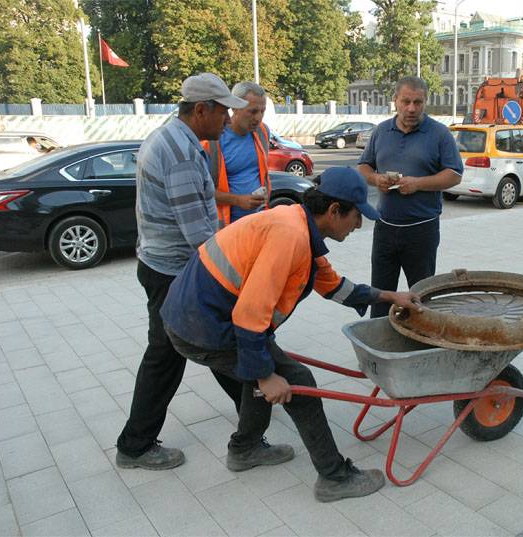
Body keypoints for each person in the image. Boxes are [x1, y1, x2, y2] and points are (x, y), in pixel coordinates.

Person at [159, 167, 422, 502]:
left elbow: (335, 287)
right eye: (356, 216)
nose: (358, 225)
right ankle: (334, 477)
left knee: (260, 374)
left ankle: (246, 449)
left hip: (202, 315)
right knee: (296, 381)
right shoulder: (290, 237)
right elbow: (250, 315)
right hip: (202, 324)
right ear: (334, 211)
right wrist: (266, 375)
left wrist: (390, 296)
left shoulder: (299, 226)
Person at [115, 73, 249, 471]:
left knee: (203, 345)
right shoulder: (179, 154)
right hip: (174, 271)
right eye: (223, 110)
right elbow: (200, 237)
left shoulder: (175, 139)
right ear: (201, 110)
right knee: (187, 350)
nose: (228, 119)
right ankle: (135, 445)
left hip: (164, 265)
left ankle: (252, 408)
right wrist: (239, 275)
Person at [357, 76, 463, 318]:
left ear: (426, 102)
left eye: (418, 102)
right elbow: (363, 167)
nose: (411, 108)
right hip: (385, 228)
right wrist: (377, 179)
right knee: (381, 295)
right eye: (406, 101)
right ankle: (381, 346)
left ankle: (420, 345)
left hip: (421, 231)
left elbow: (454, 175)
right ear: (395, 100)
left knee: (422, 296)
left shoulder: (439, 133)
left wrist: (418, 184)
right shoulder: (381, 131)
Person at [202, 81, 270, 226]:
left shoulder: (262, 131)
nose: (258, 118)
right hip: (225, 227)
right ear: (235, 107)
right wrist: (238, 200)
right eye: (252, 111)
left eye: (262, 111)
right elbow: (201, 191)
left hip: (258, 221)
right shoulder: (212, 141)